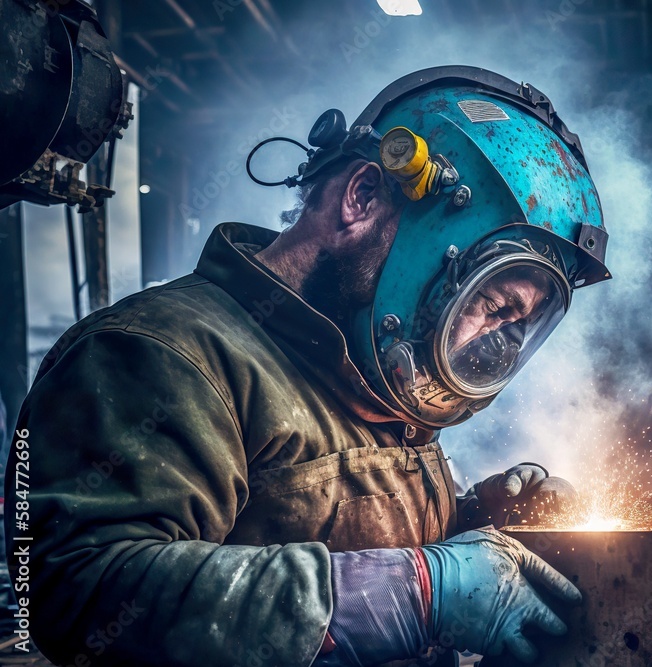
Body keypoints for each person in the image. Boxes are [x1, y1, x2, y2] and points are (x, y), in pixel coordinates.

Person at [4, 66, 611, 667]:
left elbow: (351, 532)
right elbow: (81, 589)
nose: (486, 345)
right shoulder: (159, 354)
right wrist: (419, 592)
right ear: (362, 198)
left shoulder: (367, 375)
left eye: (513, 326)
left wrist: (482, 526)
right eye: (492, 306)